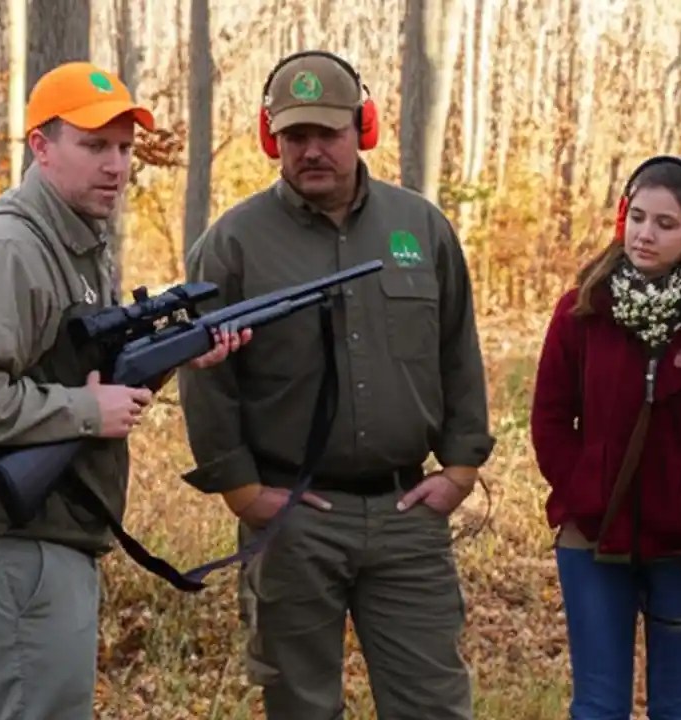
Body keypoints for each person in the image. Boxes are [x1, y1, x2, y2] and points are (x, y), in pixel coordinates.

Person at [176, 49, 495, 720]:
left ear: (364, 128)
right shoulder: (232, 244)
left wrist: (462, 466)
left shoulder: (420, 227)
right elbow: (206, 379)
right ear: (272, 139)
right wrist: (239, 487)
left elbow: (457, 349)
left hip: (408, 511)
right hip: (293, 517)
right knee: (300, 705)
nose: (312, 150)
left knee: (434, 704)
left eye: (329, 132)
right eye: (296, 136)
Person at [0, 61, 245, 720]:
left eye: (125, 147)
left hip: (44, 536)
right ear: (41, 146)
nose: (117, 165)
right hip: (12, 545)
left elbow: (73, 368)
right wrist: (83, 411)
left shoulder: (71, 239)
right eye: (94, 145)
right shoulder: (11, 250)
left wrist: (177, 356)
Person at [529, 155, 681, 719]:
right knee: (598, 705)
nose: (644, 234)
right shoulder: (583, 307)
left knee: (677, 706)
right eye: (637, 217)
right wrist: (584, 491)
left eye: (665, 223)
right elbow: (550, 418)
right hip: (593, 540)